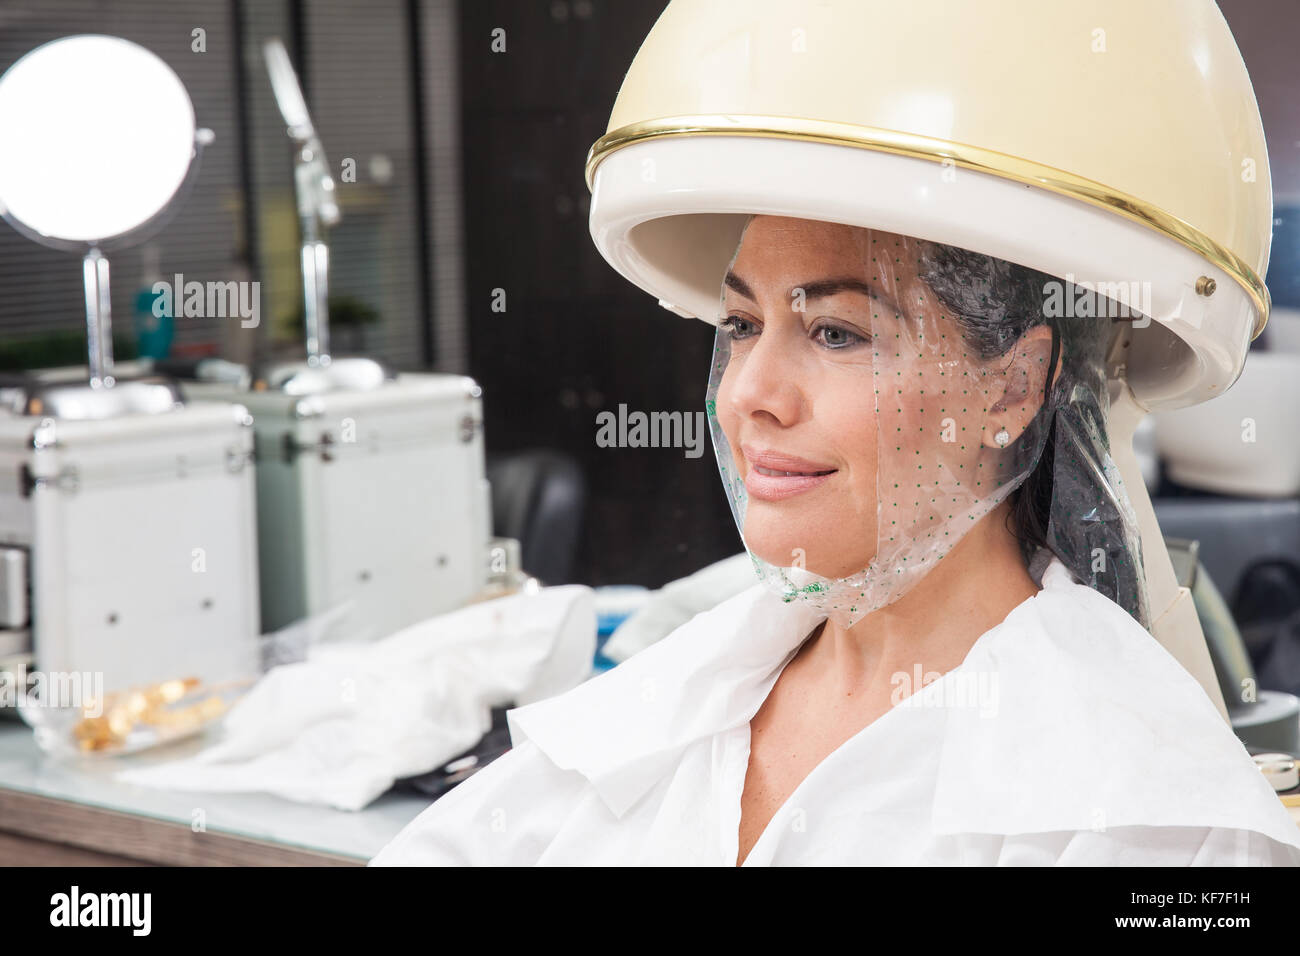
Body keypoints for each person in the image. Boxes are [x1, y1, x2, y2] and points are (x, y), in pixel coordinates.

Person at [370, 217, 1300, 866]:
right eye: (740, 325)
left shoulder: (1151, 807)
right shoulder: (665, 704)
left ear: (1013, 389)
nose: (749, 395)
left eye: (837, 332)